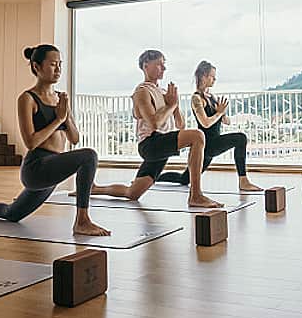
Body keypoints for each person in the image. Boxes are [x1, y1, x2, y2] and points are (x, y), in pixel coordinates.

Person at [0, 45, 111, 236]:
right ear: (37, 66)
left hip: (53, 169)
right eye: (52, 64)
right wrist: (58, 119)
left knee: (13, 213)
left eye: (60, 64)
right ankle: (82, 221)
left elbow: (74, 139)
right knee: (89, 156)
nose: (58, 69)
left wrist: (65, 115)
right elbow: (31, 142)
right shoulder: (27, 99)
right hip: (37, 168)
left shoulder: (61, 99)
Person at [90, 50, 222, 208]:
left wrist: (175, 104)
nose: (164, 68)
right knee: (198, 136)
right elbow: (154, 124)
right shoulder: (142, 91)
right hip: (151, 144)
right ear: (146, 66)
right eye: (159, 64)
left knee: (132, 193)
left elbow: (180, 125)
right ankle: (196, 195)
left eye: (164, 64)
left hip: (162, 144)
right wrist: (170, 105)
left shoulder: (164, 92)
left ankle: (94, 189)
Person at [157, 61, 261, 192]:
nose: (215, 79)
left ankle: (153, 178)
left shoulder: (212, 97)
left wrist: (223, 114)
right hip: (206, 144)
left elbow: (226, 121)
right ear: (203, 76)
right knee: (241, 138)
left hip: (212, 143)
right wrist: (219, 113)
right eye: (212, 76)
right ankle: (243, 181)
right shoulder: (196, 98)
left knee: (184, 179)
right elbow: (205, 122)